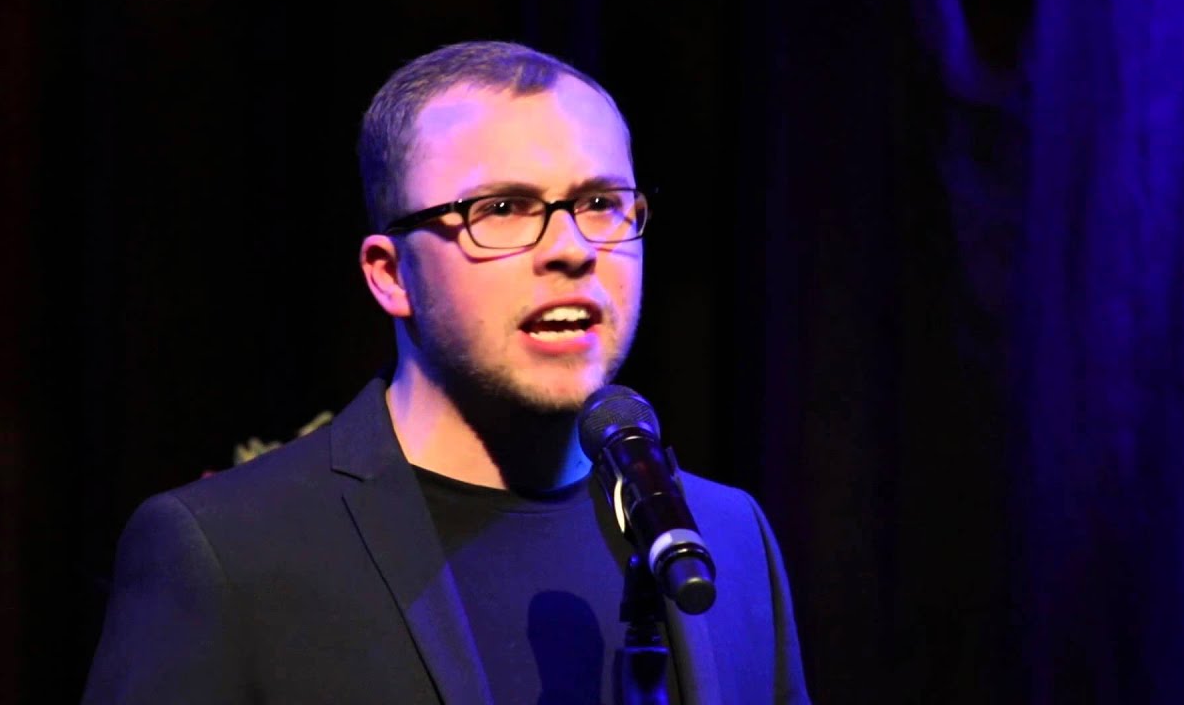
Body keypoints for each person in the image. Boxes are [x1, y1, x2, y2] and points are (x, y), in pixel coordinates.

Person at [82, 41, 809, 704]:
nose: (573, 249)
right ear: (391, 275)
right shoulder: (228, 551)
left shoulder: (728, 536)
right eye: (502, 208)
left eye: (599, 203)